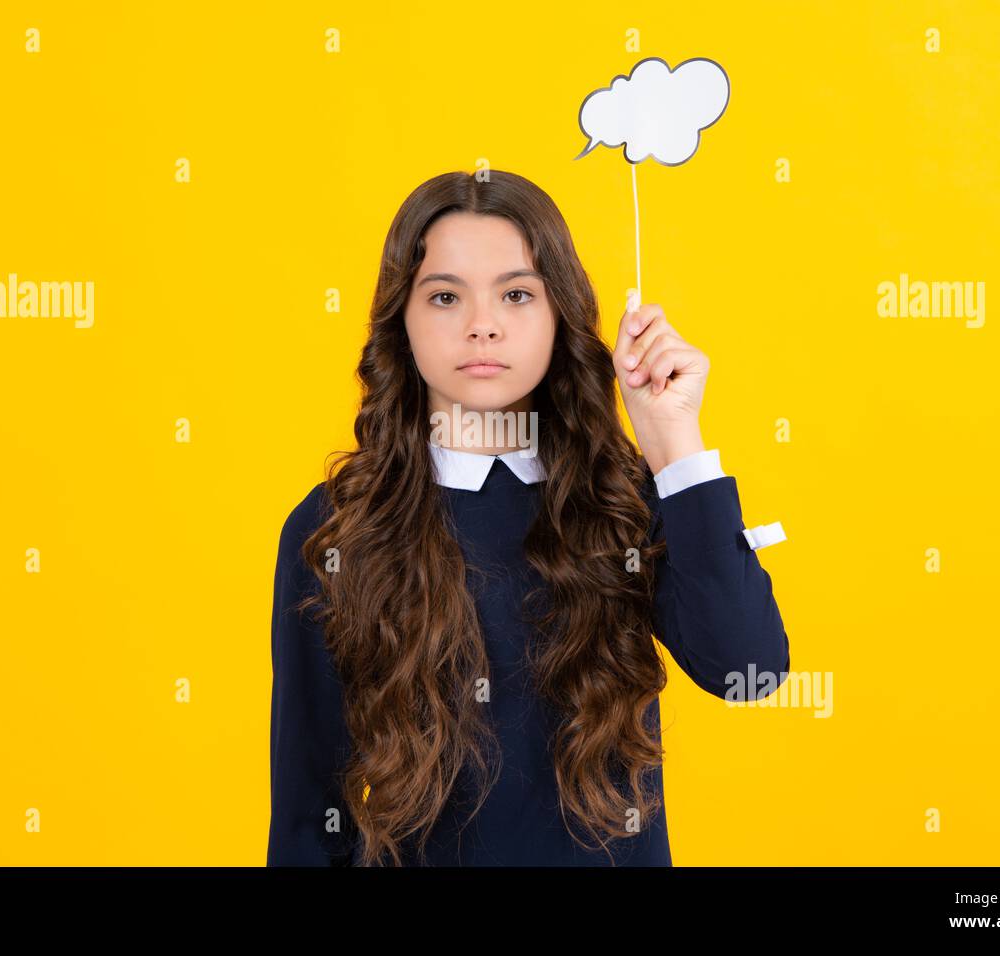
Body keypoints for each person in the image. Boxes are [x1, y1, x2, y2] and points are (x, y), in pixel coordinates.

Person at [268, 169, 789, 866]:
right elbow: (309, 810)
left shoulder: (623, 497)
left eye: (517, 294)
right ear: (402, 322)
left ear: (559, 317)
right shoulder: (334, 526)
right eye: (446, 296)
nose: (482, 323)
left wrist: (674, 443)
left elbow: (746, 666)